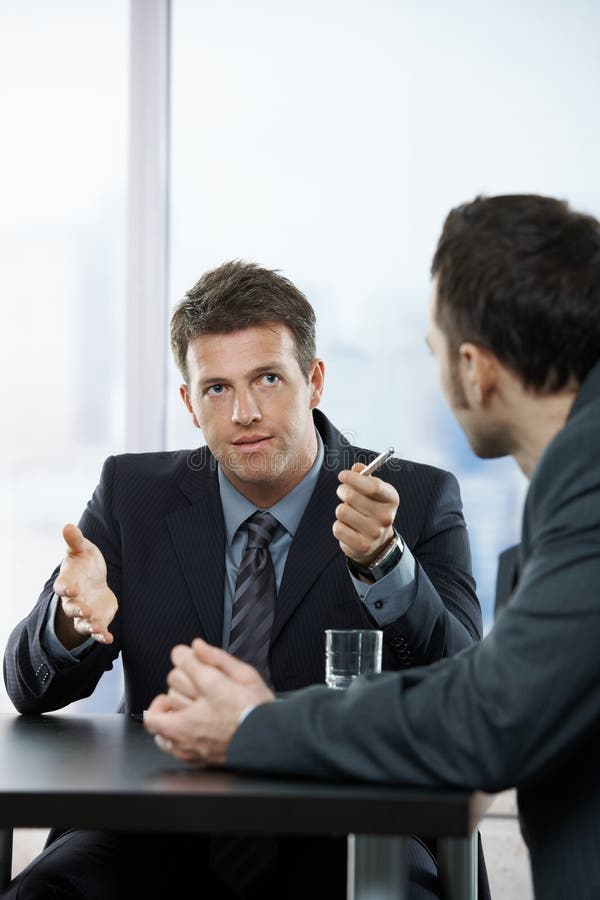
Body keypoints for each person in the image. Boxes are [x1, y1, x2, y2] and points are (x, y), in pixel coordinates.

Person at [144, 194, 600, 900]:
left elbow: (490, 711)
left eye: (433, 351)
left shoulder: (585, 478)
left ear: (475, 369)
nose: (245, 412)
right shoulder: (576, 471)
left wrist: (257, 725)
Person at [2, 260, 487, 899]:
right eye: (217, 389)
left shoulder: (415, 498)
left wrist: (387, 564)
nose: (245, 412)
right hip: (154, 826)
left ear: (313, 381)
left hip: (349, 825)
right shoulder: (131, 494)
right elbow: (26, 688)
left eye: (267, 379)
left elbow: (467, 686)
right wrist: (70, 620)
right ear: (188, 400)